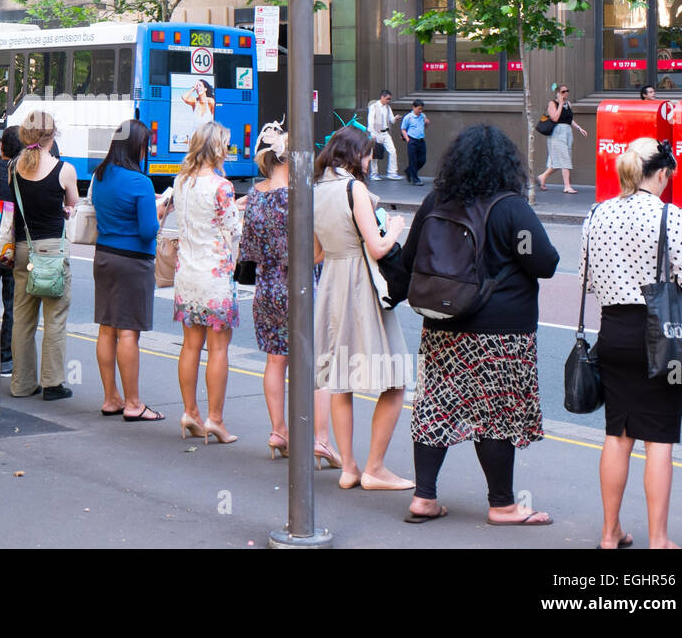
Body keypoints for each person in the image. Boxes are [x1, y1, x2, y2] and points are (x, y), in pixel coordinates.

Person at [401, 125, 560, 526]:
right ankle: (503, 504)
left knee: (435, 406)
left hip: (444, 325)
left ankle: (423, 497)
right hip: (501, 332)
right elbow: (545, 263)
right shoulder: (511, 208)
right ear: (507, 165)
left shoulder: (436, 200)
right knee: (496, 414)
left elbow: (408, 261)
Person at [581, 138, 682, 549]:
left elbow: (585, 278)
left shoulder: (597, 213)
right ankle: (659, 539)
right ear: (663, 174)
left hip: (613, 332)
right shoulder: (668, 215)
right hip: (659, 339)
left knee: (617, 433)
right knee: (659, 437)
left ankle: (608, 533)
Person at [312, 126, 411, 489]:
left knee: (341, 382)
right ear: (356, 155)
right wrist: (396, 227)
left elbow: (316, 253)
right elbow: (378, 247)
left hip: (333, 285)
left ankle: (349, 468)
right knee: (396, 378)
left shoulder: (318, 190)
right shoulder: (354, 189)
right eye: (368, 154)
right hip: (361, 287)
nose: (370, 161)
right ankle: (375, 468)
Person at [239, 120, 337, 466]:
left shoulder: (255, 195)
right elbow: (314, 252)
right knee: (317, 363)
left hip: (267, 287)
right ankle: (320, 439)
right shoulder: (301, 196)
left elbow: (247, 249)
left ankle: (278, 430)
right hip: (301, 285)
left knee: (275, 359)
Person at [89, 118, 169, 422]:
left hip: (104, 257)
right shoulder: (141, 183)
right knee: (128, 334)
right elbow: (149, 231)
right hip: (132, 262)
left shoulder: (101, 175)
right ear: (137, 146)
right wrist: (162, 209)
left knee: (106, 328)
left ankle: (111, 398)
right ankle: (134, 403)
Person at [173, 121, 243, 444]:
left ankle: (190, 412)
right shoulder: (222, 186)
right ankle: (215, 419)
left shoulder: (181, 181)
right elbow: (233, 232)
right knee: (218, 349)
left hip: (186, 275)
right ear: (217, 148)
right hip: (214, 277)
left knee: (190, 346)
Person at [9, 110, 79, 400]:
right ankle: (52, 383)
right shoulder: (64, 169)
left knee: (22, 320)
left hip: (23, 248)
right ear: (52, 136)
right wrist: (64, 209)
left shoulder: (14, 167)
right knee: (55, 319)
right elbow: (72, 204)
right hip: (52, 251)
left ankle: (22, 384)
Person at [0, 125, 23, 376]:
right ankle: (6, 357)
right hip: (11, 246)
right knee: (12, 302)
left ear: (2, 146)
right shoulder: (22, 172)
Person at [537, 83, 587, 194]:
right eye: (563, 91)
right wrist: (560, 104)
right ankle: (567, 186)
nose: (566, 93)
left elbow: (569, 120)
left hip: (567, 132)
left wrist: (579, 128)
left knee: (559, 160)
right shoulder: (552, 103)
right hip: (557, 133)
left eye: (567, 91)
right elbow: (554, 118)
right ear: (558, 93)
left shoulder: (568, 104)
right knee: (565, 159)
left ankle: (542, 177)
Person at [367, 90, 403, 181]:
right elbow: (370, 121)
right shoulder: (373, 107)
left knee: (392, 151)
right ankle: (374, 174)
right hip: (376, 133)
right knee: (375, 154)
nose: (389, 101)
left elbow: (391, 120)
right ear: (382, 97)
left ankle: (392, 173)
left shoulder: (388, 107)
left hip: (385, 133)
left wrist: (395, 118)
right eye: (387, 99)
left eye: (390, 99)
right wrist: (372, 134)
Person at [399, 99, 429, 185]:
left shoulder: (423, 116)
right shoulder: (408, 117)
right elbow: (403, 129)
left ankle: (409, 171)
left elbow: (424, 125)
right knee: (413, 160)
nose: (420, 111)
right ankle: (416, 180)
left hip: (421, 140)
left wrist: (427, 124)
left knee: (422, 160)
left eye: (421, 109)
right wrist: (408, 139)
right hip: (412, 140)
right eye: (419, 109)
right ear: (413, 107)